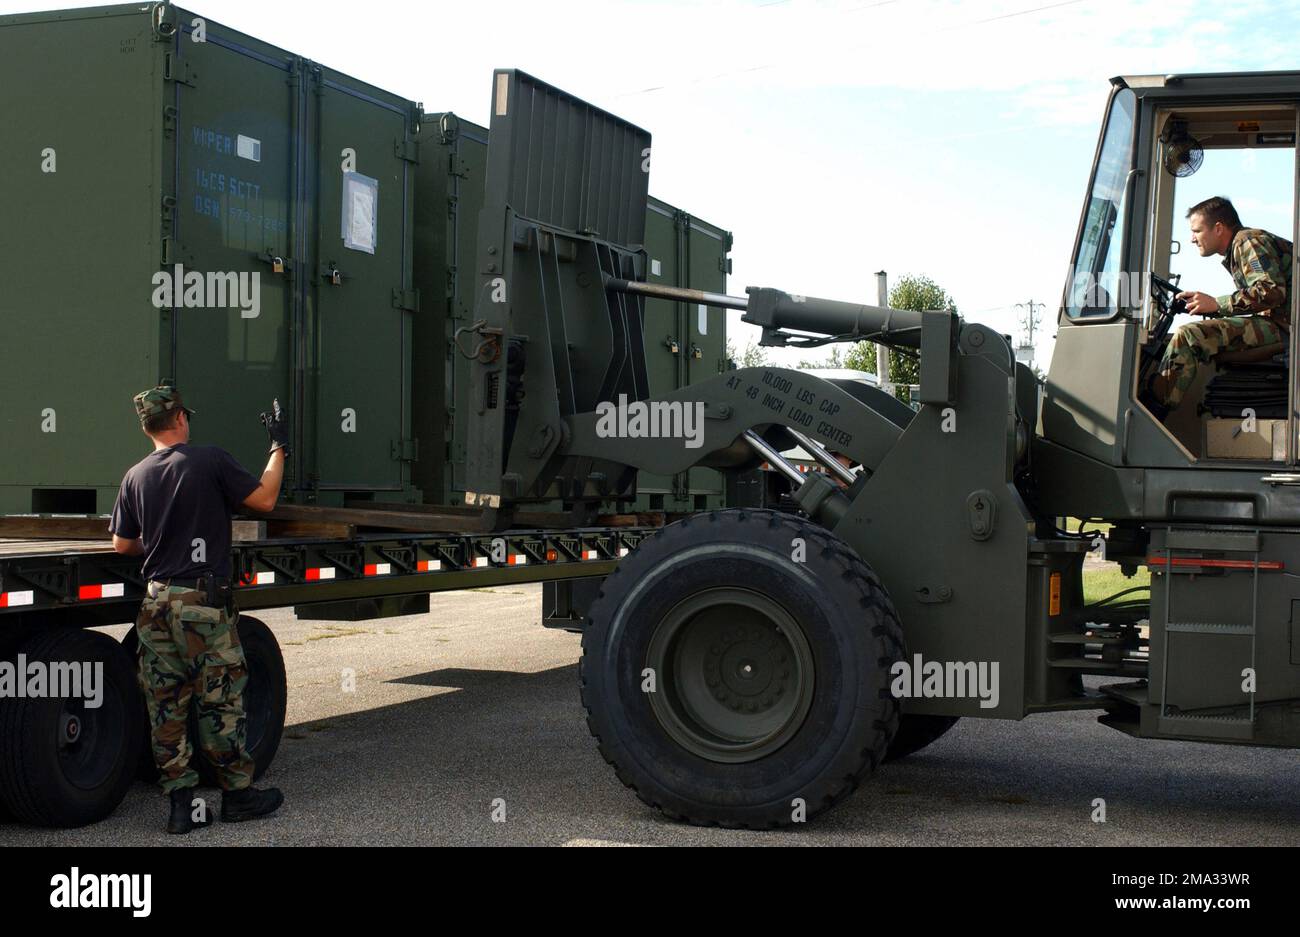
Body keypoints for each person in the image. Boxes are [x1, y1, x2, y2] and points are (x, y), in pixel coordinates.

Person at [109, 384, 289, 834]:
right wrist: (278, 446)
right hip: (203, 606)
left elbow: (122, 544)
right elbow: (265, 499)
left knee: (166, 709)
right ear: (181, 419)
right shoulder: (209, 460)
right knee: (220, 702)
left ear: (147, 427)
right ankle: (237, 796)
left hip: (156, 605)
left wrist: (160, 535)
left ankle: (180, 808)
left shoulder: (134, 476)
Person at [1153, 196, 1293, 412]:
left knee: (1189, 336)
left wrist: (1217, 304)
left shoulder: (1248, 241)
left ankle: (1152, 413)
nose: (1192, 239)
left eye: (1197, 231)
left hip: (1288, 329)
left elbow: (1272, 292)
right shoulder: (1239, 247)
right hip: (1282, 324)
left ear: (1218, 228)